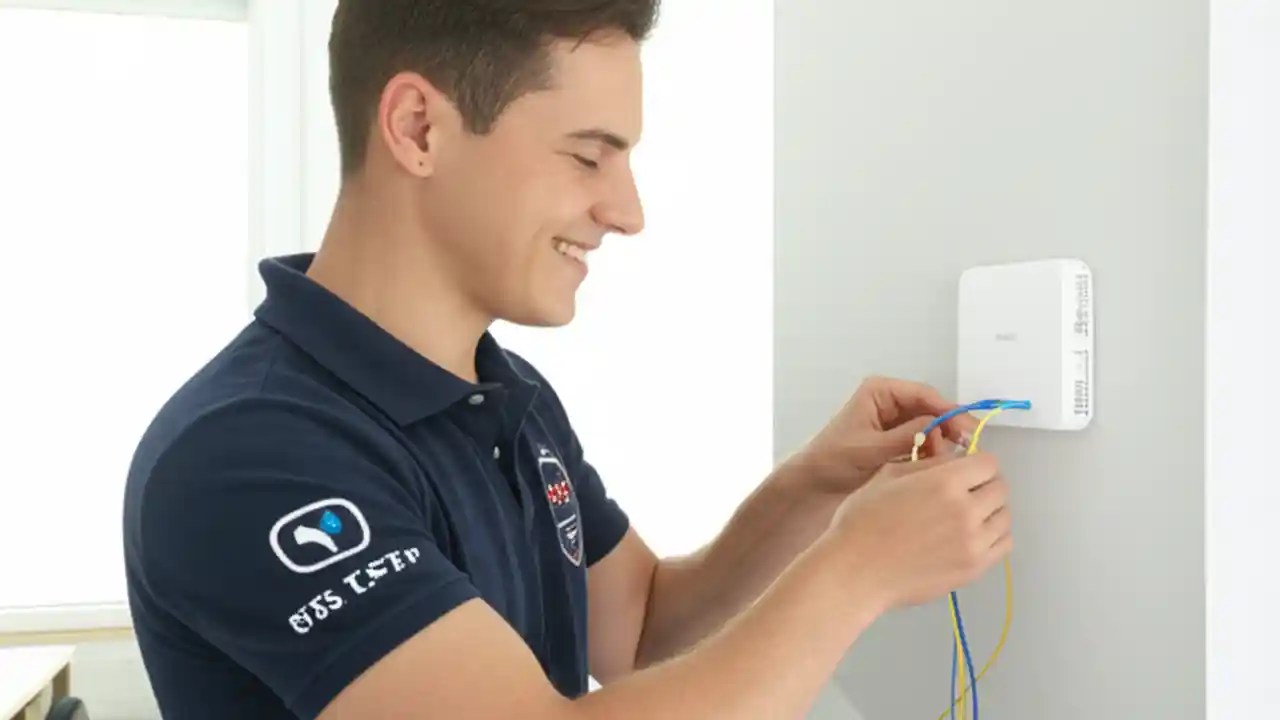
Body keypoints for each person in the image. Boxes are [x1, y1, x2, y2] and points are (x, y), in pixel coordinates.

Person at [121, 1, 1012, 718]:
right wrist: (853, 573)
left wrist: (814, 490)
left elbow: (641, 630)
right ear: (418, 128)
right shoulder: (249, 454)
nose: (627, 211)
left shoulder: (504, 392)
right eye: (589, 156)